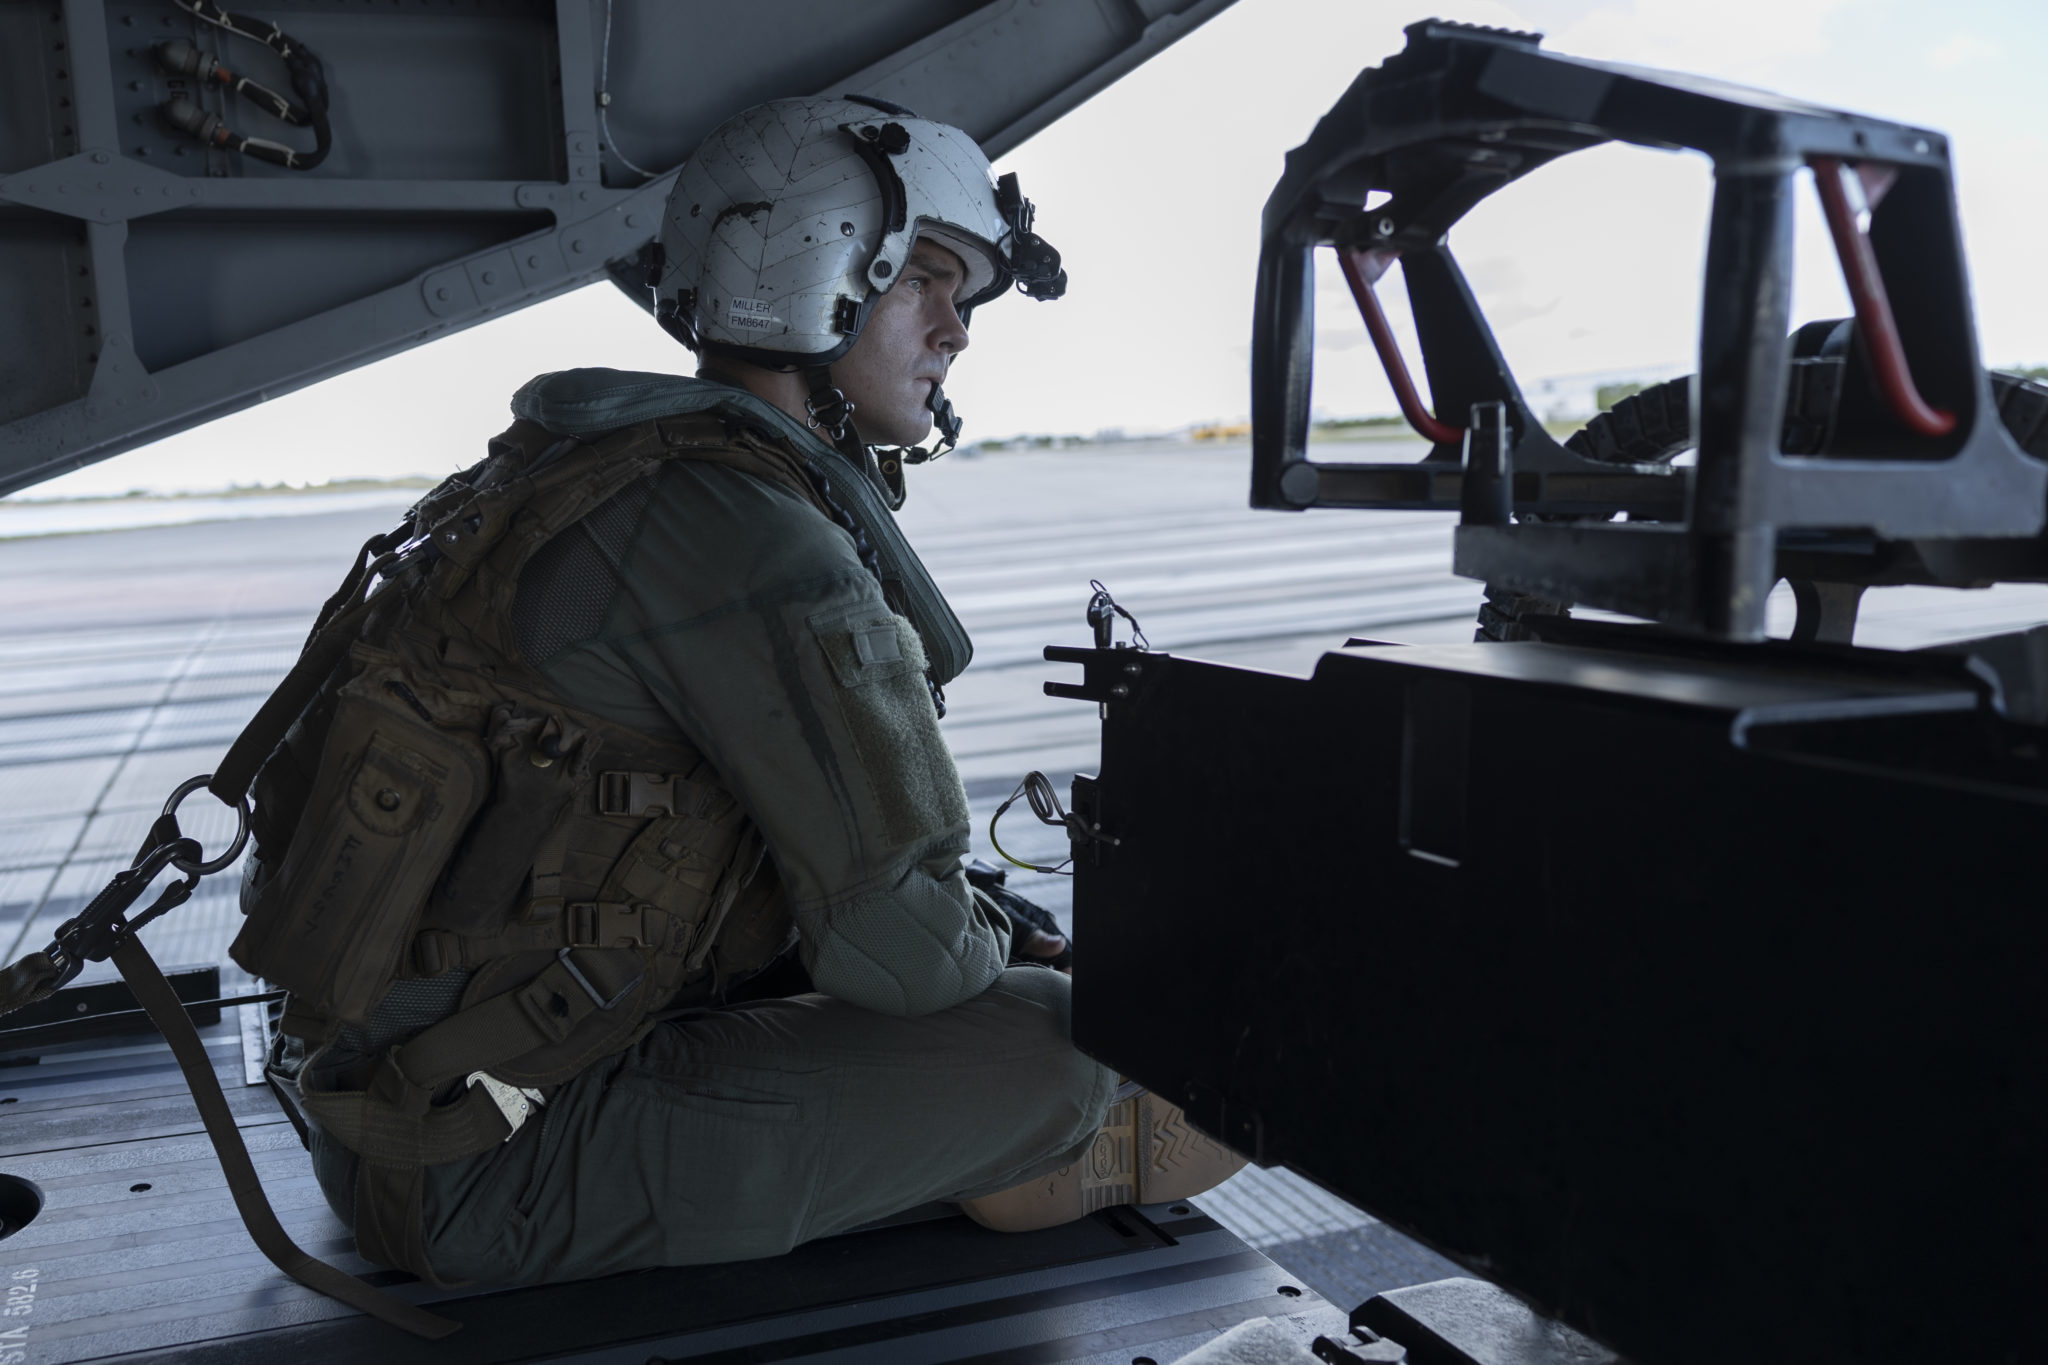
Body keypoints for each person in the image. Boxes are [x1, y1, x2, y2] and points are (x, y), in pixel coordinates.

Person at [249, 94, 1240, 1289]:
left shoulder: (581, 465)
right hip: (484, 1162)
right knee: (1057, 1042)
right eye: (926, 280)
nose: (954, 332)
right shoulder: (752, 537)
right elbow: (908, 958)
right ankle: (1034, 1140)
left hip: (404, 1092)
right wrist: (1022, 951)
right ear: (818, 264)